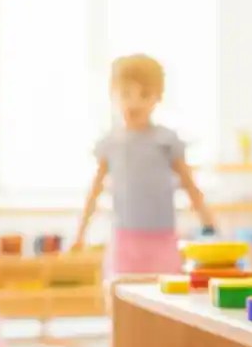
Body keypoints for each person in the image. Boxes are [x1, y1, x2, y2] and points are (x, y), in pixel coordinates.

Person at [73, 54, 216, 275]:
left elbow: (190, 186)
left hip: (162, 238)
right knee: (121, 295)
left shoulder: (166, 140)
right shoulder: (110, 143)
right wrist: (80, 234)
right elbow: (95, 191)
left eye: (144, 95)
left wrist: (209, 224)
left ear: (158, 98)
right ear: (113, 94)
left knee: (165, 297)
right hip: (125, 239)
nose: (134, 103)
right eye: (126, 94)